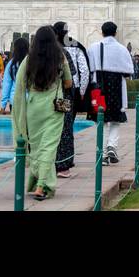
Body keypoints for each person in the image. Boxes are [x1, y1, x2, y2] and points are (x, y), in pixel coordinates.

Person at [12, 25, 73, 201]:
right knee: (49, 147)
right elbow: (68, 82)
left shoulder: (29, 59)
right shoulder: (60, 58)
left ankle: (37, 182)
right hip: (54, 107)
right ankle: (41, 186)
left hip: (33, 108)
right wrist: (57, 84)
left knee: (37, 147)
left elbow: (20, 84)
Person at [86, 21, 133, 165]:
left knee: (101, 118)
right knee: (115, 118)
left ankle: (102, 151)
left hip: (98, 87)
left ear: (102, 32)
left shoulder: (93, 48)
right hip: (116, 87)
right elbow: (129, 71)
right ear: (115, 32)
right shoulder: (122, 49)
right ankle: (111, 147)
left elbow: (88, 69)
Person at [52, 21, 90, 178]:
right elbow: (83, 70)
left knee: (51, 127)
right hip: (66, 92)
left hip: (46, 94)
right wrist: (81, 90)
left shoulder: (47, 47)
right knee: (66, 126)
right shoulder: (74, 46)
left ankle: (50, 163)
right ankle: (64, 164)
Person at [0, 36, 29, 114]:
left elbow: (7, 85)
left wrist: (3, 105)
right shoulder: (33, 62)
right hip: (30, 100)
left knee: (16, 126)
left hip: (15, 100)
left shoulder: (11, 64)